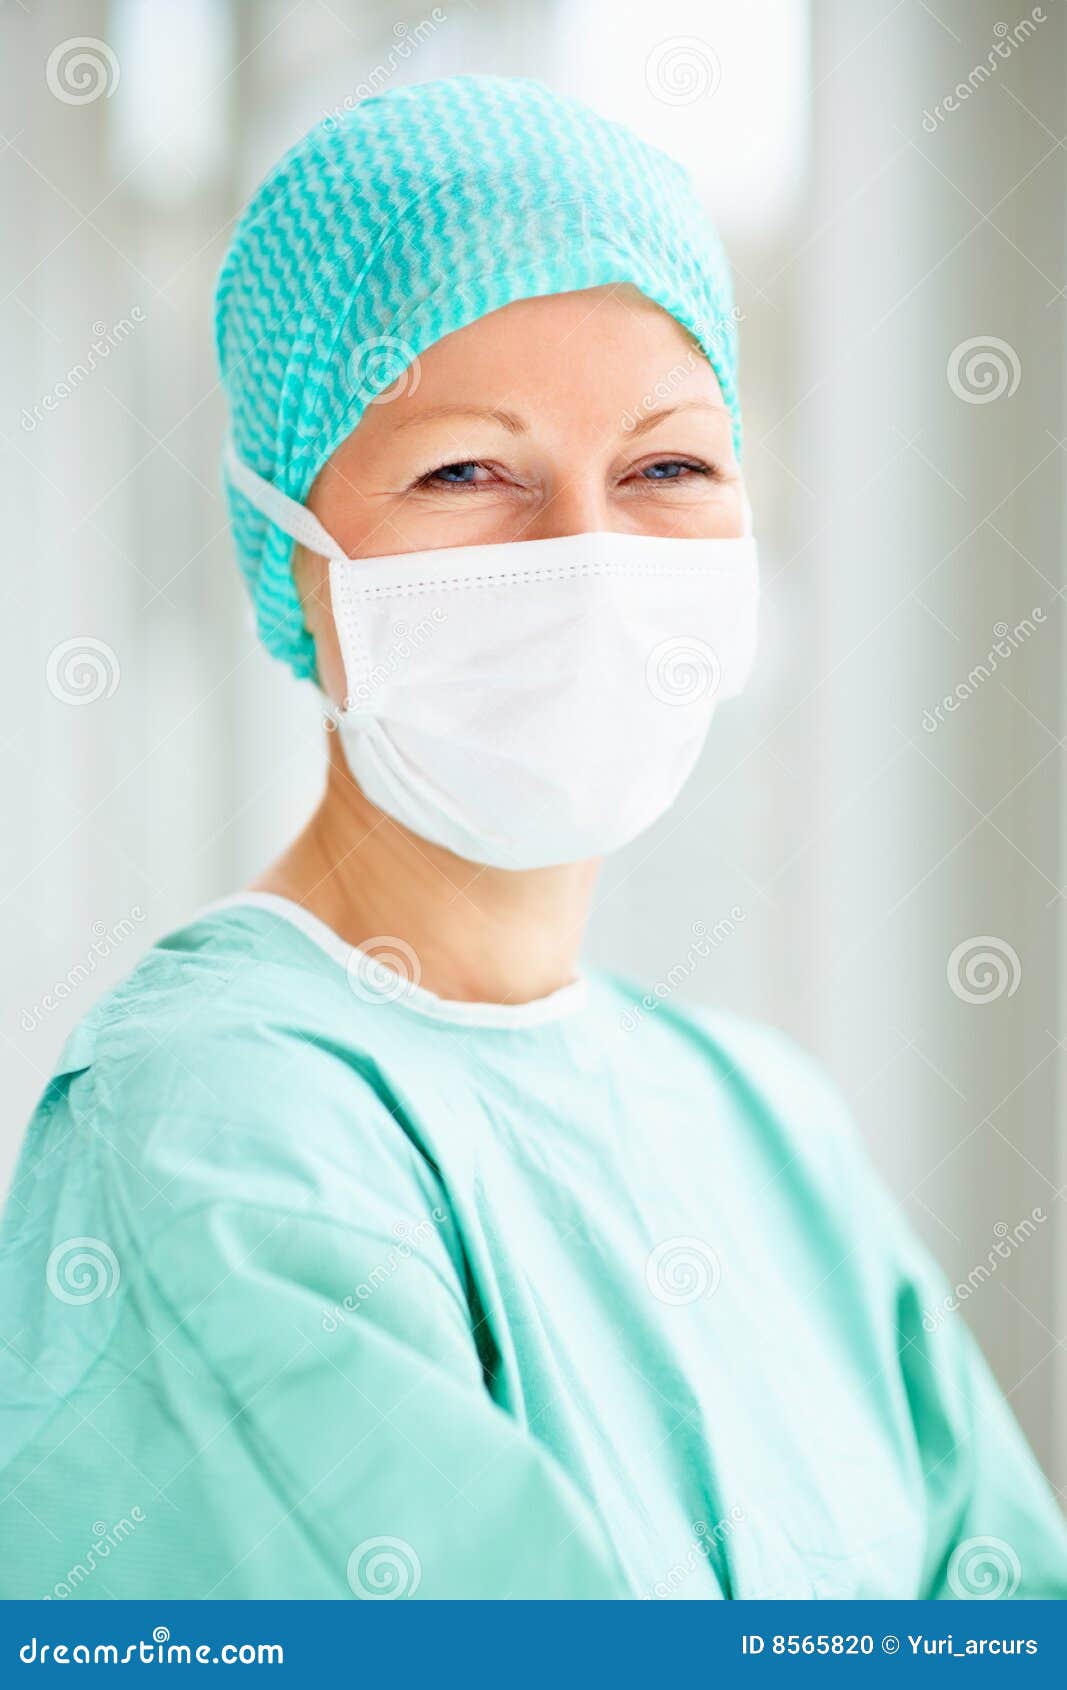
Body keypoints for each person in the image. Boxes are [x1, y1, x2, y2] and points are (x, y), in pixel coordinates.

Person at [1, 74, 1064, 1602]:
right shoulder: (210, 1132)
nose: (587, 554)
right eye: (466, 471)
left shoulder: (769, 1128)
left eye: (669, 466)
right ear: (290, 551)